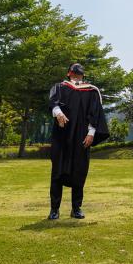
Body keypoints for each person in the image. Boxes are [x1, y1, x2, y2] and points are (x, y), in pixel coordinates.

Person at [47, 63, 109, 220]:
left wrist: (92, 133)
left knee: (79, 171)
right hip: (62, 135)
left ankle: (76, 208)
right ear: (68, 73)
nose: (76, 75)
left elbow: (95, 113)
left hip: (82, 136)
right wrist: (58, 113)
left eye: (79, 74)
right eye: (74, 73)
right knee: (57, 172)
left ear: (83, 75)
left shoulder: (91, 91)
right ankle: (54, 209)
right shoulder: (59, 87)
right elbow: (53, 102)